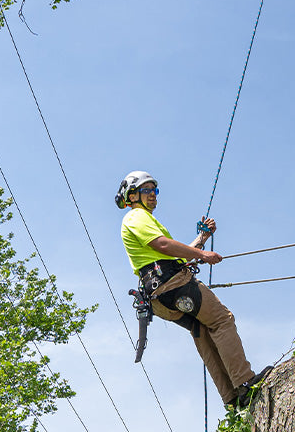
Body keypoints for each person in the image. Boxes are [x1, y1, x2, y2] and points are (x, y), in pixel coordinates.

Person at [116, 170, 271, 408]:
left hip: (160, 295)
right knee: (221, 319)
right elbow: (164, 245)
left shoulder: (141, 221)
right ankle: (245, 383)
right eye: (147, 191)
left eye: (154, 191)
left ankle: (231, 397)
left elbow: (171, 256)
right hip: (174, 284)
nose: (153, 196)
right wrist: (202, 254)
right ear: (133, 195)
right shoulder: (136, 217)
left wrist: (202, 238)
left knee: (203, 329)